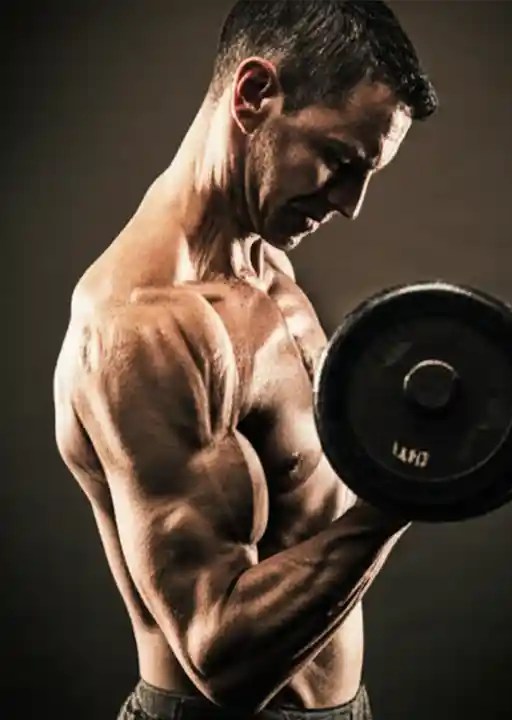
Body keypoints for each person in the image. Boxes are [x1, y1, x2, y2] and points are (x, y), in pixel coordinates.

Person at [51, 2, 436, 718]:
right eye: (341, 161)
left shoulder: (269, 270)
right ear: (255, 94)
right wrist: (403, 500)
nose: (351, 204)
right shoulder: (143, 326)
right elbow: (218, 653)